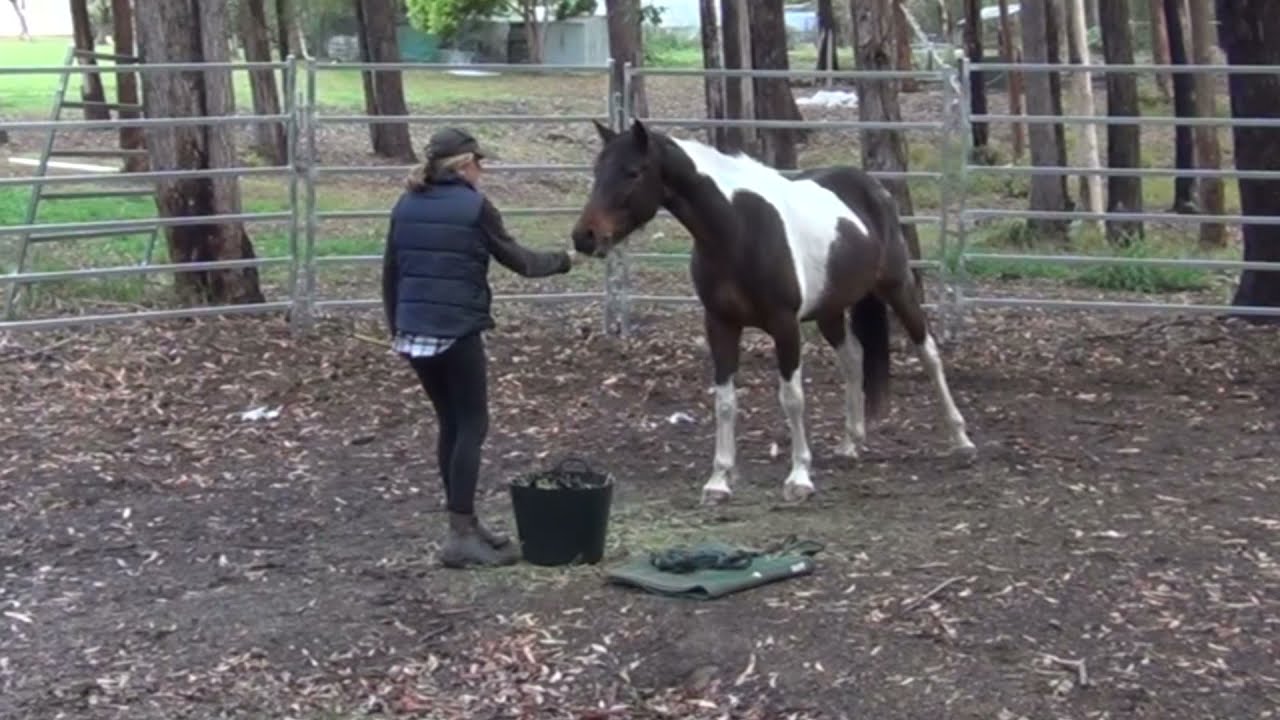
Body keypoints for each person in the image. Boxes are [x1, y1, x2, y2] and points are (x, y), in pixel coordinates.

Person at [381, 127, 573, 569]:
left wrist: (398, 328)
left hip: (413, 332)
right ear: (465, 164)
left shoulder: (406, 203)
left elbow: (390, 272)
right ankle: (460, 536)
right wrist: (567, 260)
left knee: (449, 423)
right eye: (479, 162)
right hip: (456, 330)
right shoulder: (474, 207)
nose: (482, 170)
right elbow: (521, 262)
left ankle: (464, 524)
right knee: (472, 424)